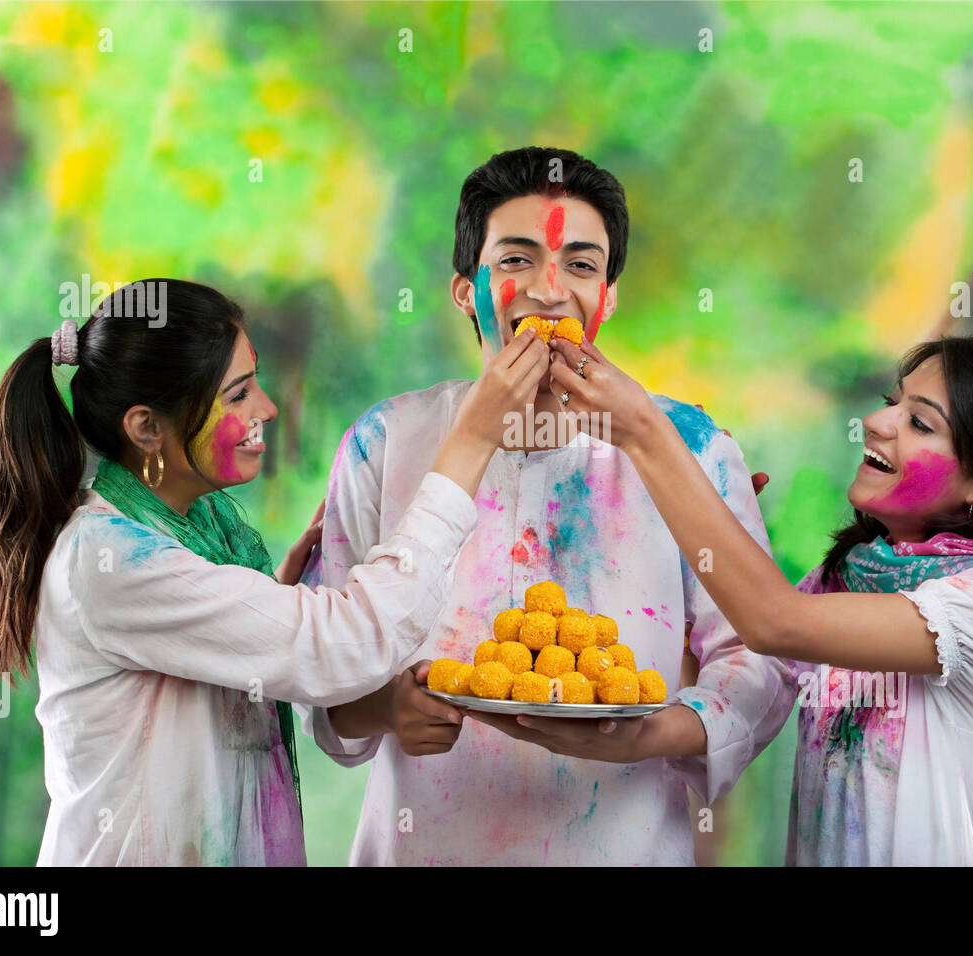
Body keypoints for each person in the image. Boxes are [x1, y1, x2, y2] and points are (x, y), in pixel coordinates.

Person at [296, 147, 796, 866]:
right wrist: (388, 709)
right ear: (466, 290)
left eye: (583, 265)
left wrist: (652, 733)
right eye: (517, 260)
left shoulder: (692, 446)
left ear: (610, 297)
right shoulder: (383, 442)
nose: (550, 290)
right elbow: (327, 675)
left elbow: (760, 661)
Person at [0, 278, 549, 865]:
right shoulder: (107, 560)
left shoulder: (196, 527)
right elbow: (344, 644)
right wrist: (471, 442)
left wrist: (271, 602)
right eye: (238, 394)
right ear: (146, 429)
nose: (266, 409)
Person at [545, 331, 973, 866]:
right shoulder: (848, 580)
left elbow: (771, 621)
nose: (878, 423)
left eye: (920, 422)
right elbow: (742, 675)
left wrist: (647, 433)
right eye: (892, 402)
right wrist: (628, 736)